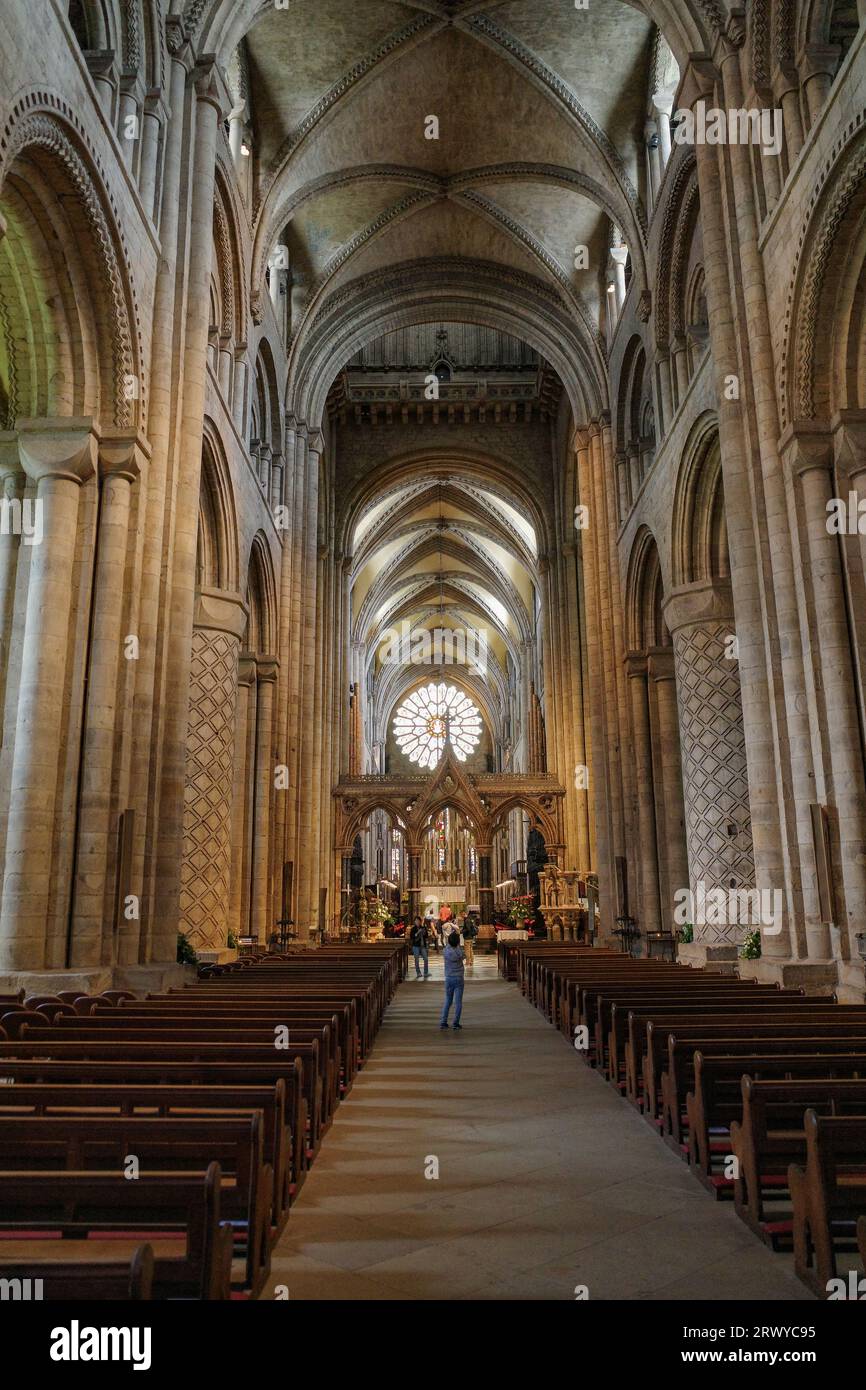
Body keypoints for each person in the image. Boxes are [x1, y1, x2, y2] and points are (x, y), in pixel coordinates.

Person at [439, 929, 466, 1030]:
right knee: (458, 1002)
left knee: (448, 1001)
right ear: (458, 942)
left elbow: (448, 947)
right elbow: (464, 956)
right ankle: (455, 1023)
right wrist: (458, 945)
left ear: (449, 941)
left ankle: (443, 1021)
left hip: (449, 977)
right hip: (458, 977)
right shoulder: (459, 951)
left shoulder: (446, 950)